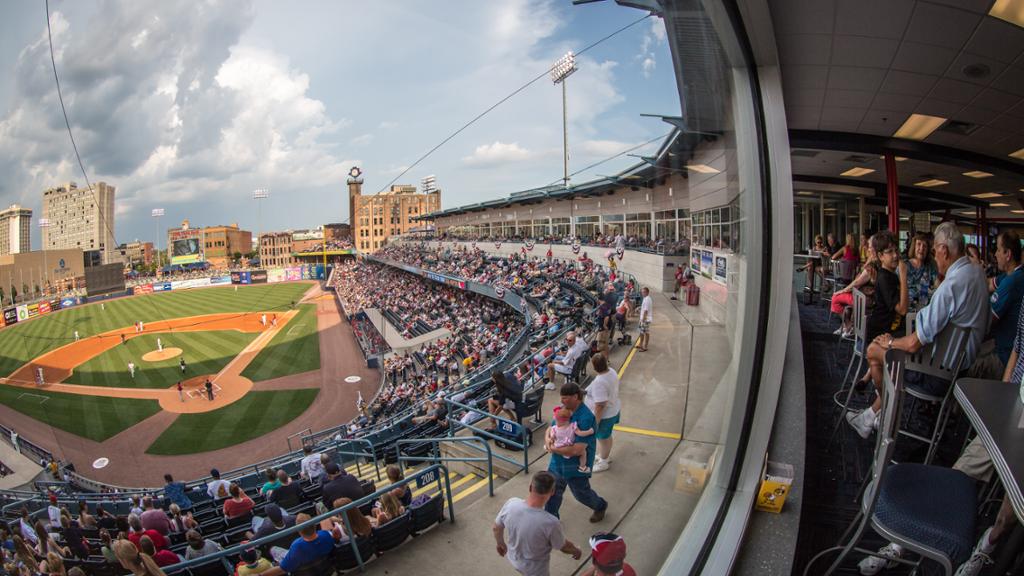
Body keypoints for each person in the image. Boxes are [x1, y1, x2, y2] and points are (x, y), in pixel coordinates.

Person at [848, 222, 989, 441]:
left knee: (874, 350)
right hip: (961, 368)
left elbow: (914, 344)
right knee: (884, 346)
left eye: (935, 250)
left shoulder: (950, 286)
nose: (934, 255)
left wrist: (891, 343)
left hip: (936, 375)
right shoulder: (978, 273)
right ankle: (870, 416)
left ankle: (879, 414)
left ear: (943, 250)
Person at [493, 470, 582, 576]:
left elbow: (496, 528)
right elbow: (563, 546)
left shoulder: (511, 503)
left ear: (530, 487)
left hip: (513, 559)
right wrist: (576, 551)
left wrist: (500, 543)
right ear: (552, 491)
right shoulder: (551, 523)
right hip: (535, 571)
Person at [544, 383, 608, 522]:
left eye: (565, 398)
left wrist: (552, 448)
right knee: (552, 492)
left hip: (575, 466)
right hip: (557, 463)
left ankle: (600, 506)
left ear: (575, 397)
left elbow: (577, 450)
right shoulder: (563, 410)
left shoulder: (586, 418)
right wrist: (548, 439)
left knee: (581, 494)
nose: (562, 401)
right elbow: (551, 428)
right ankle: (550, 521)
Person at [969, 230, 1024, 381]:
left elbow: (986, 321)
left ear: (1008, 254)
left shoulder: (1011, 283)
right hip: (1003, 347)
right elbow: (988, 284)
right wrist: (975, 269)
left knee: (965, 368)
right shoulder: (1014, 274)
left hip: (1005, 356)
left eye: (999, 250)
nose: (995, 254)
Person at [261, 513, 341, 575]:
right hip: (328, 572)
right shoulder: (326, 535)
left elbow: (283, 569)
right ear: (314, 526)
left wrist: (260, 575)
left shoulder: (297, 546)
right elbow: (334, 541)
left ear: (299, 531)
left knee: (273, 549)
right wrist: (336, 537)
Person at [585, 353, 621, 473]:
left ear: (594, 367)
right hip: (613, 409)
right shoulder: (611, 371)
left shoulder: (599, 382)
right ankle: (603, 456)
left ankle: (604, 461)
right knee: (606, 437)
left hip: (605, 416)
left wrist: (595, 423)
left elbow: (600, 405)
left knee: (603, 438)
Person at [547, 406, 594, 473]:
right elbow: (580, 433)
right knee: (583, 453)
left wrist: (550, 441)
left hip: (558, 445)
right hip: (569, 445)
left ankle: (548, 447)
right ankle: (582, 467)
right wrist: (589, 431)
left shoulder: (554, 428)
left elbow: (552, 437)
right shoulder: (572, 426)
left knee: (554, 443)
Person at [905, 232, 938, 306]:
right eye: (919, 244)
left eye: (925, 246)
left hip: (925, 308)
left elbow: (938, 286)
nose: (921, 248)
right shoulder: (904, 266)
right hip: (907, 309)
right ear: (914, 247)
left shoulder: (930, 267)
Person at [637, 287, 652, 352]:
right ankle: (640, 344)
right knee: (642, 332)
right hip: (644, 319)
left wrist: (643, 319)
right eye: (642, 292)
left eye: (644, 292)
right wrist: (639, 308)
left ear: (647, 292)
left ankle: (645, 346)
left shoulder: (647, 300)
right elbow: (644, 307)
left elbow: (646, 310)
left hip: (645, 319)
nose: (643, 293)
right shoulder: (646, 298)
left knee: (645, 333)